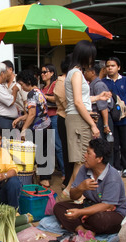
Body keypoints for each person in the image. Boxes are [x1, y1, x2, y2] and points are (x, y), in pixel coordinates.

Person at [53, 138, 126, 236]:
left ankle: (77, 224)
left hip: (112, 213)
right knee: (59, 207)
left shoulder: (112, 177)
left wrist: (80, 212)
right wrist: (80, 187)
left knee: (99, 219)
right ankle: (81, 229)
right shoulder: (84, 169)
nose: (85, 156)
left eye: (89, 153)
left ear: (99, 159)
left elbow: (107, 206)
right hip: (88, 207)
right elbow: (73, 196)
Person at [64, 40, 110, 197]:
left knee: (80, 160)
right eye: (92, 57)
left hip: (77, 118)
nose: (92, 61)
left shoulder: (75, 73)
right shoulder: (76, 74)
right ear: (86, 56)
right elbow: (77, 102)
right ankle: (73, 194)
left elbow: (80, 100)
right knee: (81, 160)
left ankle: (69, 191)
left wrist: (98, 97)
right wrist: (93, 125)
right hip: (78, 120)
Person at [14, 69, 52, 188]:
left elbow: (31, 114)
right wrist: (20, 119)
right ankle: (45, 180)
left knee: (36, 154)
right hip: (47, 125)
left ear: (28, 81)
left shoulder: (31, 94)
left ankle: (30, 179)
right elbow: (36, 112)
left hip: (39, 128)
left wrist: (24, 129)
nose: (22, 87)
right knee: (44, 152)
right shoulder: (38, 91)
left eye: (22, 84)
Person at [102, 57, 126, 178]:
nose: (110, 68)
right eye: (108, 66)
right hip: (111, 119)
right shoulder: (103, 82)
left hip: (124, 118)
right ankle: (116, 167)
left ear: (119, 67)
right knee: (113, 144)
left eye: (113, 65)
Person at [41, 63, 65, 183]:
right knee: (49, 147)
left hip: (55, 116)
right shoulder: (43, 87)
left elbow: (57, 98)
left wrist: (42, 95)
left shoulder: (56, 84)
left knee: (58, 145)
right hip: (45, 118)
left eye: (45, 72)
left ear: (51, 73)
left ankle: (65, 172)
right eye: (42, 72)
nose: (43, 74)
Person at [55, 55, 74, 190]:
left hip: (72, 117)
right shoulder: (62, 81)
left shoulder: (71, 79)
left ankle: (71, 179)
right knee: (68, 152)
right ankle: (68, 180)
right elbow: (65, 102)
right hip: (65, 118)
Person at [84, 63, 114, 144]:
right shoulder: (91, 85)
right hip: (97, 118)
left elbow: (103, 107)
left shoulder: (98, 85)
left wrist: (106, 125)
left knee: (104, 145)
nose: (84, 73)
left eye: (86, 71)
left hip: (102, 118)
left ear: (93, 72)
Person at [0, 62, 19, 133]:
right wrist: (15, 90)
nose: (7, 75)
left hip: (4, 120)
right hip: (3, 121)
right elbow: (11, 101)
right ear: (2, 74)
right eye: (6, 73)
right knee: (6, 143)